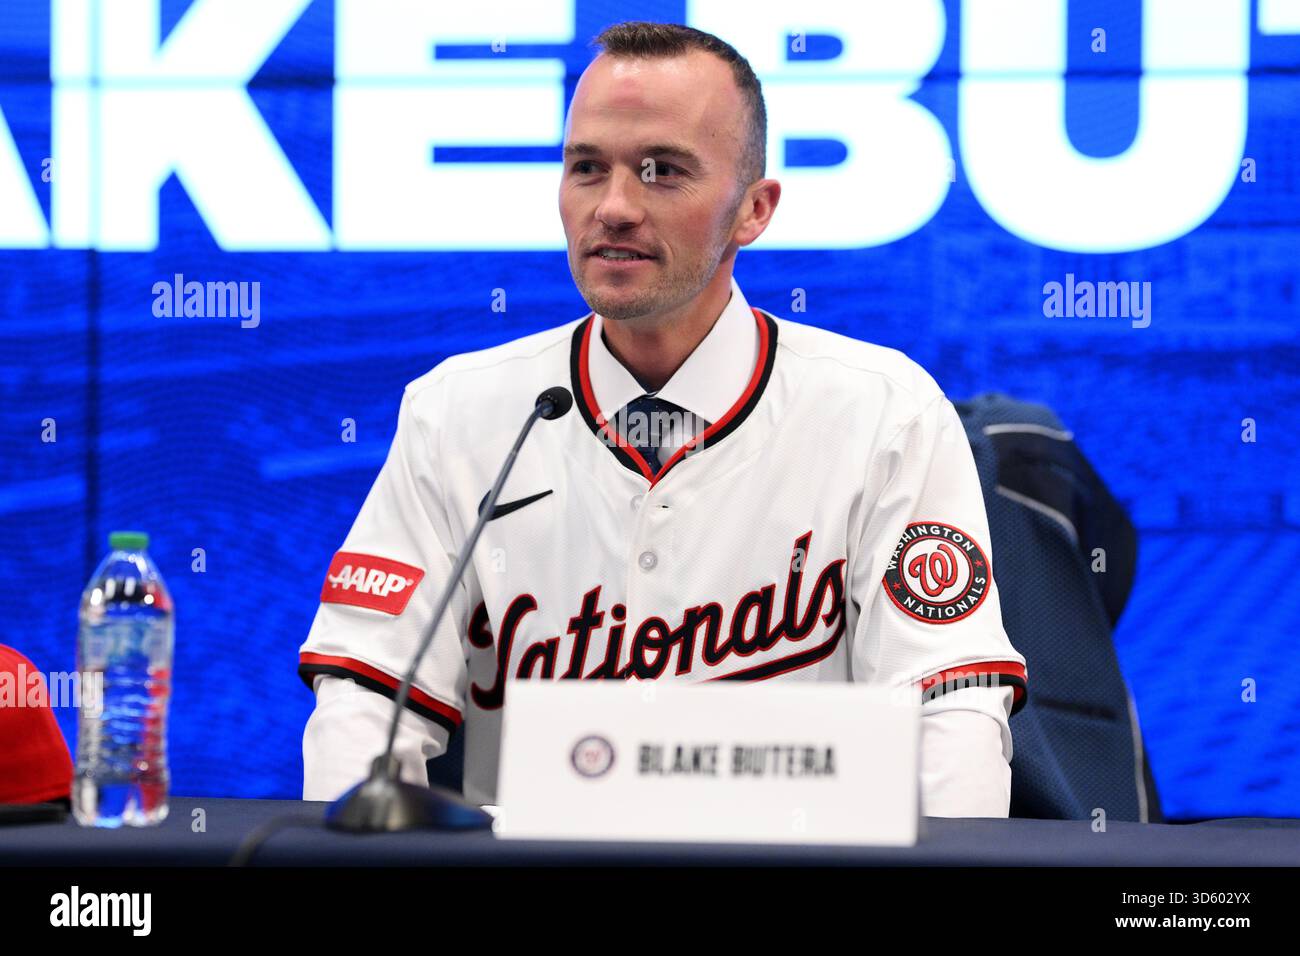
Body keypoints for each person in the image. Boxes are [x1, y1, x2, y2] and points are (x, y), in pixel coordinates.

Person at [300, 21, 1027, 817]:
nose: (613, 207)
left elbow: (951, 714)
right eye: (586, 168)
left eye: (662, 171)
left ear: (753, 210)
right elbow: (364, 703)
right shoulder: (457, 412)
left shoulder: (888, 413)